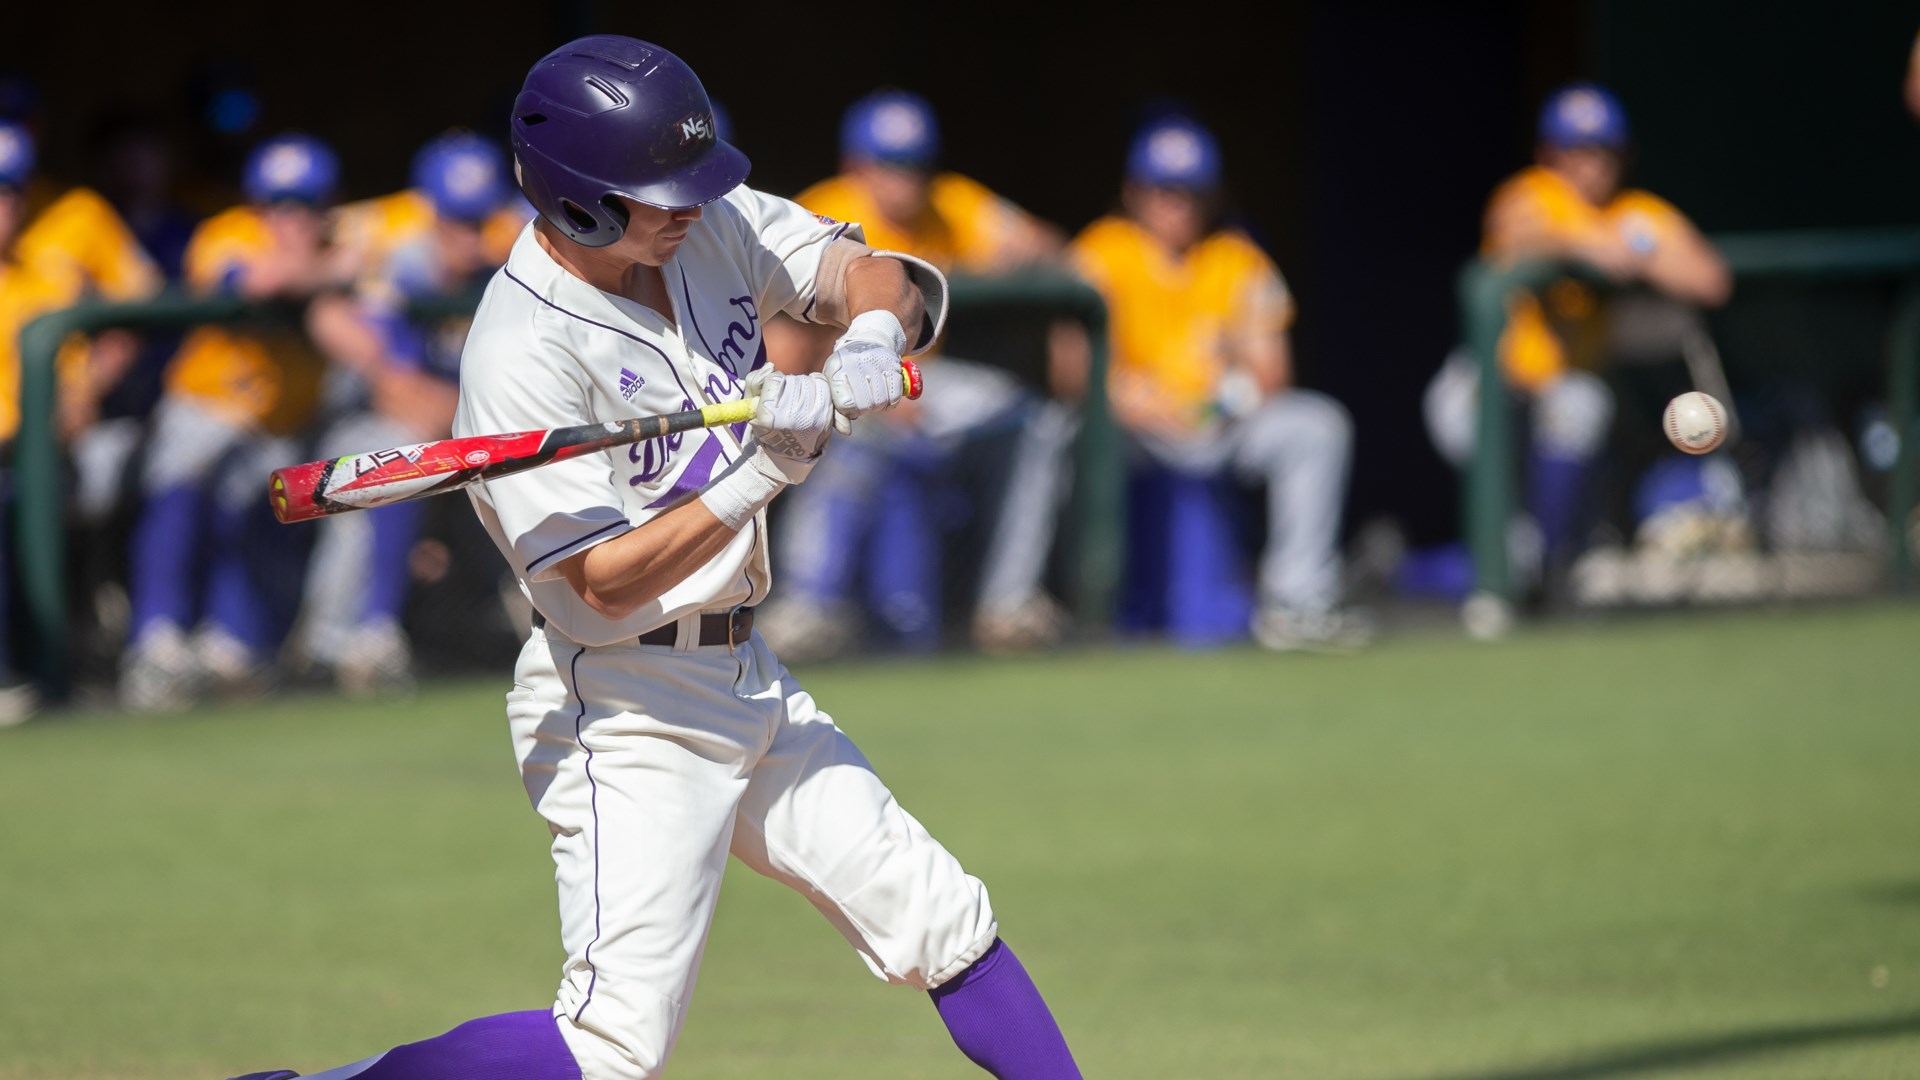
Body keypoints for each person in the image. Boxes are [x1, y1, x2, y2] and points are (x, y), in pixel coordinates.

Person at [224, 35, 1081, 1080]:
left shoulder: (704, 221)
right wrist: (762, 472)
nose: (688, 207)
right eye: (657, 193)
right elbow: (595, 589)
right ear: (580, 199)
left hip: (744, 669)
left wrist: (864, 337)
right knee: (611, 1048)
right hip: (625, 704)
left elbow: (876, 274)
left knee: (945, 920)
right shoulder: (519, 351)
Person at [760, 88, 1075, 657]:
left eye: (915, 163)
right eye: (889, 164)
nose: (905, 179)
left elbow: (1058, 252)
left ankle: (1008, 605)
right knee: (835, 425)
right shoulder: (821, 208)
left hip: (926, 378)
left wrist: (1008, 256)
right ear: (856, 165)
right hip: (839, 376)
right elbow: (784, 333)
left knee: (1034, 423)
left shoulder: (953, 205)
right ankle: (808, 605)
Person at [1069, 114, 1366, 650]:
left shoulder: (1236, 257)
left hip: (1217, 425)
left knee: (1317, 425)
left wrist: (1223, 402)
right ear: (1134, 191)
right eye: (1163, 190)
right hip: (1135, 433)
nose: (1177, 203)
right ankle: (1084, 607)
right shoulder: (1102, 251)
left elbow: (1271, 372)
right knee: (1058, 431)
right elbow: (1069, 365)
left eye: (1190, 191)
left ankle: (1297, 602)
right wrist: (1130, 401)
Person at [1421, 83, 1730, 595]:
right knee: (1501, 524)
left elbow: (1711, 279)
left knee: (1580, 404)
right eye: (1575, 150)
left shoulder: (1636, 214)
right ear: (1549, 154)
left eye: (1602, 150)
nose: (1590, 164)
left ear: (1623, 155)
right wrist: (1587, 244)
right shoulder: (1531, 195)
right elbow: (1516, 233)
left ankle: (1543, 569)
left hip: (1557, 396)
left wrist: (1644, 250)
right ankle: (1499, 574)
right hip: (1486, 389)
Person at [120, 132, 353, 710]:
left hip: (290, 425)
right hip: (205, 406)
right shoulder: (226, 231)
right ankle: (157, 639)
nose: (288, 219)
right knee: (185, 470)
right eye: (276, 204)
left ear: (327, 204)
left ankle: (238, 647)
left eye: (304, 204)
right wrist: (330, 271)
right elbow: (257, 281)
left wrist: (333, 266)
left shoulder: (351, 238)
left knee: (285, 494)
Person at [297, 131, 525, 693]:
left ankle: (484, 626)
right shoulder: (395, 266)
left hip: (457, 439)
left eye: (478, 221)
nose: (469, 238)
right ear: (431, 213)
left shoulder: (495, 270)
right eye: (456, 222)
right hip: (352, 431)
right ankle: (345, 639)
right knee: (389, 457)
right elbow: (407, 399)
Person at [0, 120, 162, 722]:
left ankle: (135, 646)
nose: (4, 206)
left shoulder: (47, 267)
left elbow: (144, 300)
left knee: (151, 464)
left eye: (11, 190)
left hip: (54, 455)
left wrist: (86, 388)